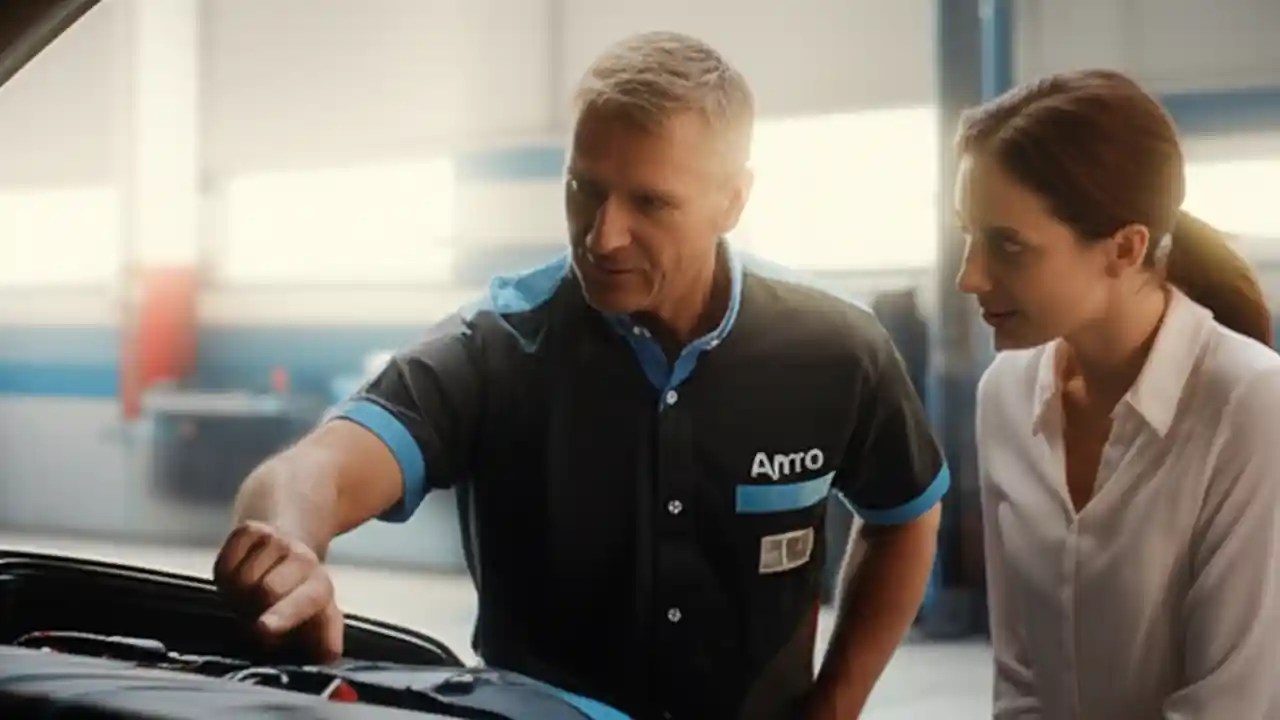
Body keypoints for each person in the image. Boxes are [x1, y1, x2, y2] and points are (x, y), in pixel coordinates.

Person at [212, 31, 947, 720]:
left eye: (650, 202)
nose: (603, 235)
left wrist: (834, 705)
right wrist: (284, 545)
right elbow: (318, 470)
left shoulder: (836, 350)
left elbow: (905, 514)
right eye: (583, 189)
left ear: (732, 200)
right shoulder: (495, 347)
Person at [955, 68, 1280, 719]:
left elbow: (1230, 705)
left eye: (1007, 244)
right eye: (967, 234)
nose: (970, 276)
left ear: (1125, 249)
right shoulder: (1006, 396)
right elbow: (1020, 679)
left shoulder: (1249, 402)